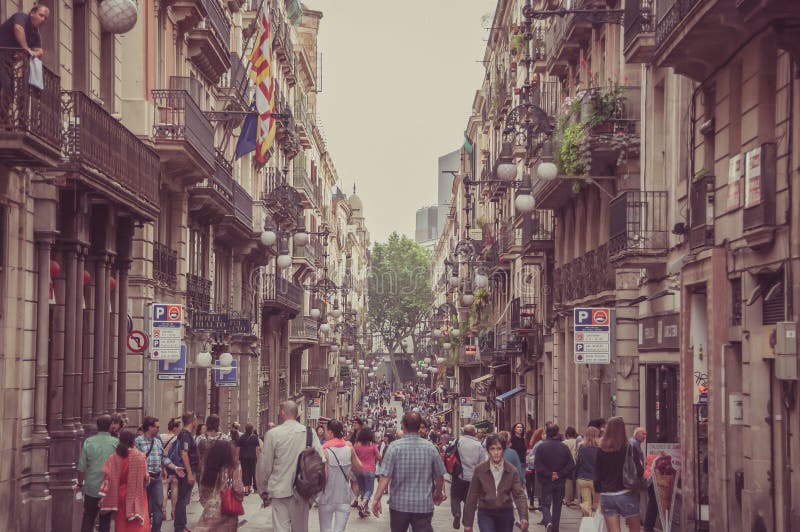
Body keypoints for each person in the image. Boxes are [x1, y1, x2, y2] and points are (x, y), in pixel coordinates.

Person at [256, 400, 325, 532]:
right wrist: (314, 493)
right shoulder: (309, 433)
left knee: (280, 528)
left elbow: (264, 466)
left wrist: (263, 490)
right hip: (302, 491)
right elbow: (320, 460)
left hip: (279, 490)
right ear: (297, 414)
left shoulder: (272, 434)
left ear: (282, 413)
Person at [372, 412, 446, 532]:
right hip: (423, 505)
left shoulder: (394, 447)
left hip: (399, 505)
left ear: (404, 426)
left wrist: (377, 498)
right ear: (419, 426)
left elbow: (385, 476)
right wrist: (437, 492)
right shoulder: (430, 448)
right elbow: (439, 476)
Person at [461, 434, 528, 532]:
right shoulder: (480, 470)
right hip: (485, 512)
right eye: (492, 449)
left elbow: (519, 494)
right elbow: (472, 496)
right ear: (488, 451)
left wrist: (524, 516)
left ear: (503, 450)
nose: (496, 452)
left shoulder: (511, 470)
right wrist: (468, 523)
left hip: (505, 512)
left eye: (499, 449)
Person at [135, 416, 185, 532]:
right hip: (143, 480)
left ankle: (156, 530)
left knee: (159, 507)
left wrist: (175, 467)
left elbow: (164, 459)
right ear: (149, 427)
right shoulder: (138, 442)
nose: (158, 429)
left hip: (156, 479)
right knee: (145, 508)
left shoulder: (157, 442)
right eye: (156, 427)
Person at [595, 417, 644, 532]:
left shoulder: (601, 449)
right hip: (626, 494)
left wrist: (596, 500)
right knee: (635, 529)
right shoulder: (629, 447)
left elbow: (597, 476)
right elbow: (639, 471)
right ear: (623, 430)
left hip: (607, 496)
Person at [98, 429, 151, 531]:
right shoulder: (140, 457)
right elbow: (145, 478)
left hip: (120, 494)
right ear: (133, 441)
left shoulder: (114, 457)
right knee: (136, 525)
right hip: (136, 494)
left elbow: (107, 476)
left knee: (121, 523)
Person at [318, 420, 363, 532]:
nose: (325, 433)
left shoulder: (324, 450)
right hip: (344, 497)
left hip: (326, 497)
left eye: (326, 431)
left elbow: (324, 477)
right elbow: (360, 467)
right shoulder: (349, 448)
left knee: (325, 529)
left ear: (331, 433)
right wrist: (348, 467)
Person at [77, 414, 118, 532]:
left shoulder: (89, 442)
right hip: (108, 488)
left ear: (97, 426)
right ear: (111, 426)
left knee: (88, 517)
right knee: (105, 520)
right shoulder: (116, 443)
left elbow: (81, 467)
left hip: (91, 486)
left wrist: (80, 484)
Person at [193, 440, 244, 532]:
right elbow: (238, 488)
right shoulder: (233, 467)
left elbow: (202, 489)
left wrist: (208, 503)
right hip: (227, 509)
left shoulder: (207, 468)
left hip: (210, 509)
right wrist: (240, 497)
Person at [534, 424, 575, 532]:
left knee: (545, 504)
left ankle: (548, 521)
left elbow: (538, 465)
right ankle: (555, 528)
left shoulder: (541, 447)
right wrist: (560, 474)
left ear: (547, 433)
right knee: (557, 506)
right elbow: (571, 464)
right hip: (560, 481)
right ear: (557, 433)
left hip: (547, 481)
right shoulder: (564, 447)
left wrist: (549, 474)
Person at [0, 4, 48, 97]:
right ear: (32, 13)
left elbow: (40, 51)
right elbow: (18, 28)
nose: (43, 19)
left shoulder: (35, 32)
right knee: (6, 88)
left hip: (9, 62)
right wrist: (26, 49)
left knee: (9, 92)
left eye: (45, 18)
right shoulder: (21, 16)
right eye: (41, 15)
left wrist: (31, 53)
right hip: (1, 55)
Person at [450, 424, 488, 530]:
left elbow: (449, 454)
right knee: (469, 502)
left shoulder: (457, 442)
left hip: (458, 476)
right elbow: (483, 463)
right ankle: (466, 521)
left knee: (455, 498)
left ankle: (456, 513)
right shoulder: (479, 446)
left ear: (463, 432)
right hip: (472, 479)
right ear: (473, 433)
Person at [175, 412, 199, 532]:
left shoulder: (187, 434)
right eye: (196, 420)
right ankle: (180, 527)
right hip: (186, 471)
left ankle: (181, 525)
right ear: (192, 420)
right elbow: (184, 453)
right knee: (182, 499)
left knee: (184, 499)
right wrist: (189, 473)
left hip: (189, 470)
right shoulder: (185, 435)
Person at [630, 428, 658, 531]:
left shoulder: (635, 444)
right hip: (638, 478)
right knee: (637, 501)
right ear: (636, 434)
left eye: (646, 434)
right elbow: (635, 463)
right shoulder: (633, 444)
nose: (645, 436)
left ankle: (643, 524)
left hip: (640, 477)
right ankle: (643, 525)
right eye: (643, 434)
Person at [354, 426, 381, 517]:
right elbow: (379, 457)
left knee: (362, 489)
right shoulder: (372, 446)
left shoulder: (356, 446)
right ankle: (363, 503)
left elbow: (353, 458)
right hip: (369, 470)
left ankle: (364, 509)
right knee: (369, 490)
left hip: (359, 470)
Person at [161, 418, 182, 521]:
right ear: (174, 428)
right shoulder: (176, 438)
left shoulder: (160, 437)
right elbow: (178, 454)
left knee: (164, 487)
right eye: (178, 428)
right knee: (174, 487)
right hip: (173, 466)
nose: (179, 430)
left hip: (163, 465)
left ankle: (163, 511)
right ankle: (173, 511)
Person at [575, 426, 600, 516]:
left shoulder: (581, 447)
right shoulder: (599, 448)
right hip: (595, 480)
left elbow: (578, 462)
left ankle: (587, 521)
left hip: (582, 478)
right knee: (598, 504)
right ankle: (597, 523)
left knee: (586, 503)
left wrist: (575, 476)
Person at [236, 423, 261, 495]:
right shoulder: (255, 437)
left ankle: (246, 489)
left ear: (245, 429)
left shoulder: (242, 437)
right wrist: (258, 457)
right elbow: (257, 448)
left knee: (245, 472)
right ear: (252, 429)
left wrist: (237, 457)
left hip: (243, 457)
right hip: (252, 457)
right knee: (252, 472)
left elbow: (238, 448)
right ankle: (250, 488)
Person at [562, 426, 579, 506]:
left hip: (568, 463)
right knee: (576, 480)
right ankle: (576, 499)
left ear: (567, 434)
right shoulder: (577, 441)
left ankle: (567, 499)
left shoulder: (565, 442)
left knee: (568, 481)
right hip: (577, 463)